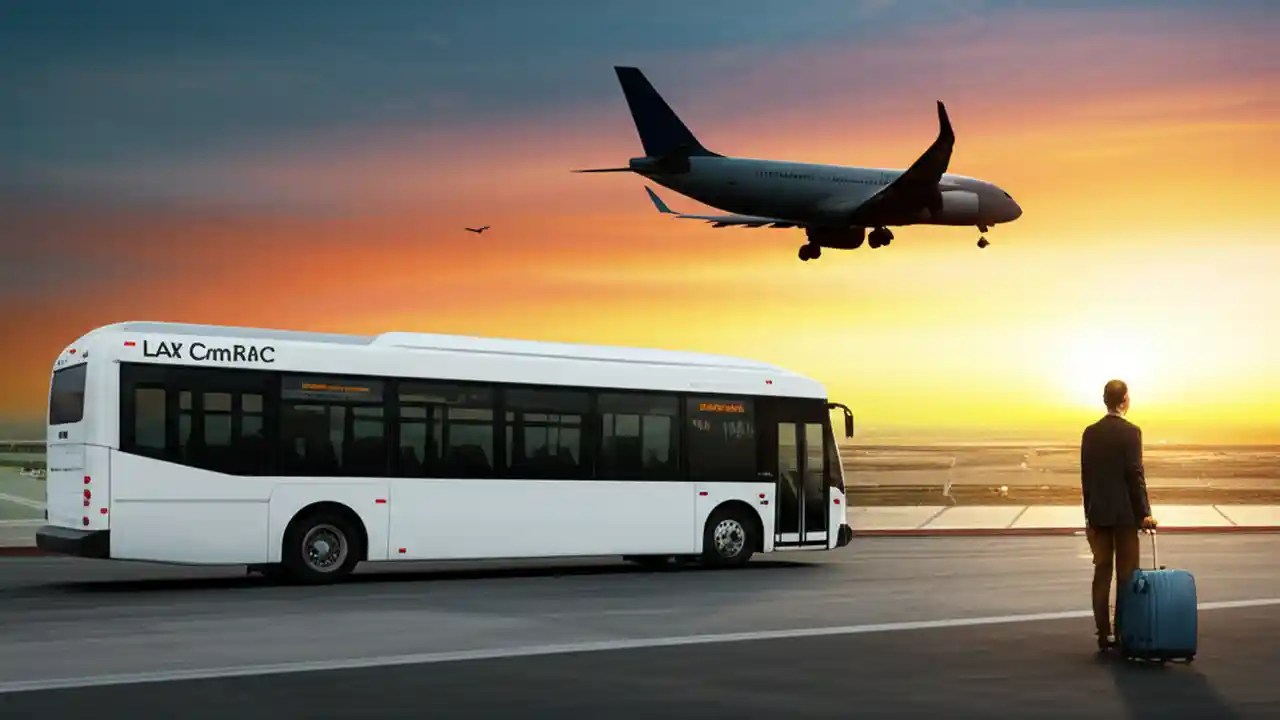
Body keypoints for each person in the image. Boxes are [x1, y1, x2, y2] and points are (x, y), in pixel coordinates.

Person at [1080, 379, 1157, 651]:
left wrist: (1088, 515)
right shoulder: (1131, 432)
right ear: (1124, 400)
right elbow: (1135, 475)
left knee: (1102, 573)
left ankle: (1103, 633)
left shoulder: (1089, 433)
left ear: (1105, 400)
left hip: (1098, 515)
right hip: (1125, 516)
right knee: (1126, 575)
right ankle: (1123, 632)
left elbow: (1086, 478)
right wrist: (1144, 513)